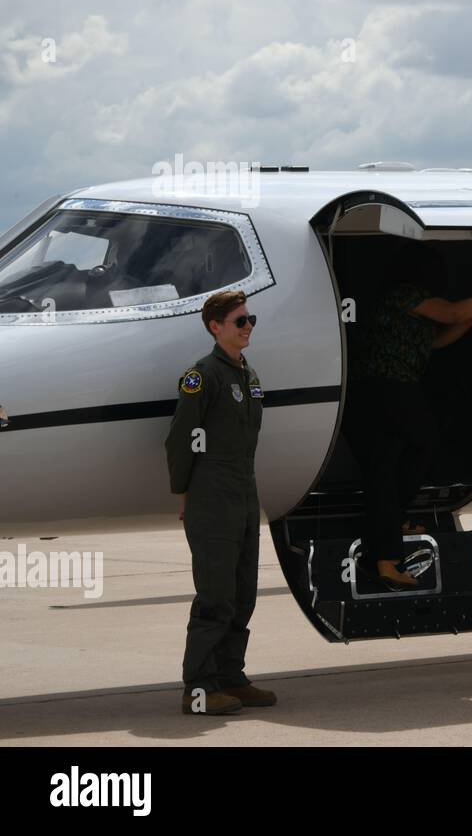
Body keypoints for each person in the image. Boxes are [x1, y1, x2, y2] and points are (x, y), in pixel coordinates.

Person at [350, 242, 472, 588]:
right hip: (385, 389)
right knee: (419, 447)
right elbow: (451, 313)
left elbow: (435, 342)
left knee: (392, 463)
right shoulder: (404, 295)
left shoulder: (409, 306)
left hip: (388, 391)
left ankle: (392, 531)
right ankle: (388, 549)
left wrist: (470, 321)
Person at [166, 290, 274, 716]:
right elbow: (181, 438)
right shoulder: (202, 375)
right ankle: (199, 688)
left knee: (243, 593)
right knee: (215, 596)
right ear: (216, 326)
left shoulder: (249, 376)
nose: (247, 327)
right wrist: (186, 492)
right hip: (212, 496)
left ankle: (230, 677)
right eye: (239, 321)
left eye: (250, 320)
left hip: (244, 493)